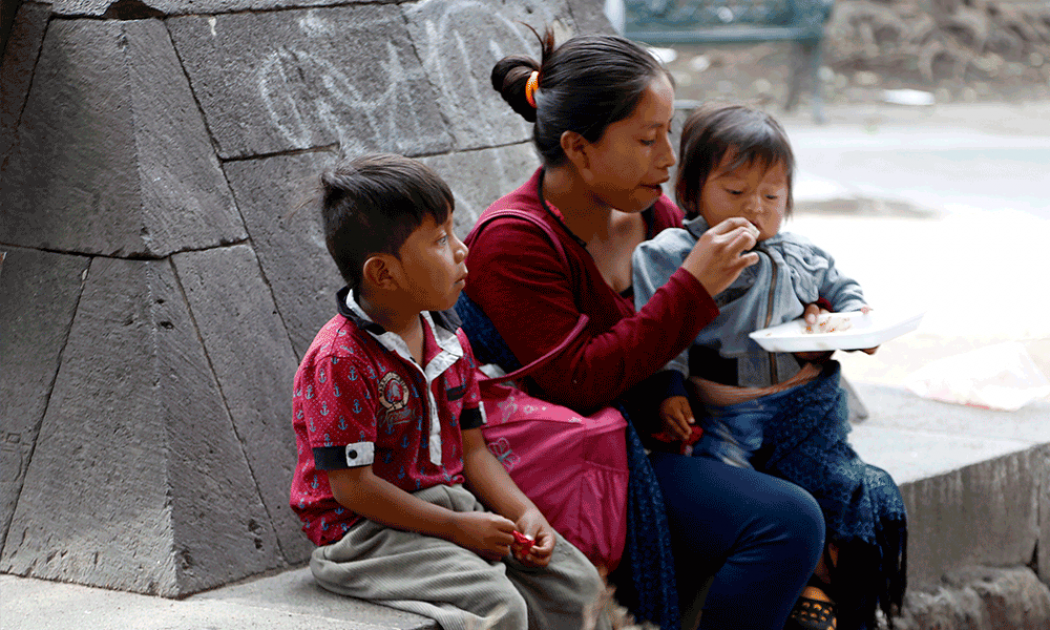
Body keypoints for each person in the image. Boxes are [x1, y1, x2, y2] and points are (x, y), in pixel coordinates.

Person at [459, 28, 826, 630]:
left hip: (665, 429)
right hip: (586, 452)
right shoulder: (514, 241)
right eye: (647, 139)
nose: (668, 158)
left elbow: (725, 318)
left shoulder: (654, 214)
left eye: (668, 134)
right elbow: (578, 381)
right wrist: (693, 286)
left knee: (827, 468)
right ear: (579, 148)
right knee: (788, 521)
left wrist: (807, 309)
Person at [289, 153, 611, 630]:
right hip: (363, 535)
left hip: (447, 507)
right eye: (440, 240)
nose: (462, 250)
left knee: (577, 587)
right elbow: (351, 487)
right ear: (383, 273)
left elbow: (475, 451)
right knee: (499, 604)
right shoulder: (342, 359)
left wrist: (525, 513)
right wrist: (459, 529)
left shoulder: (449, 339)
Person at [632, 104, 907, 630]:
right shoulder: (670, 254)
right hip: (726, 409)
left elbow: (844, 292)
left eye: (772, 196)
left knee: (847, 491)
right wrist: (669, 389)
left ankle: (828, 592)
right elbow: (661, 333)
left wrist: (855, 321)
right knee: (729, 480)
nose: (755, 209)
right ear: (690, 193)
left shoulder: (802, 254)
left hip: (804, 404)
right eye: (735, 194)